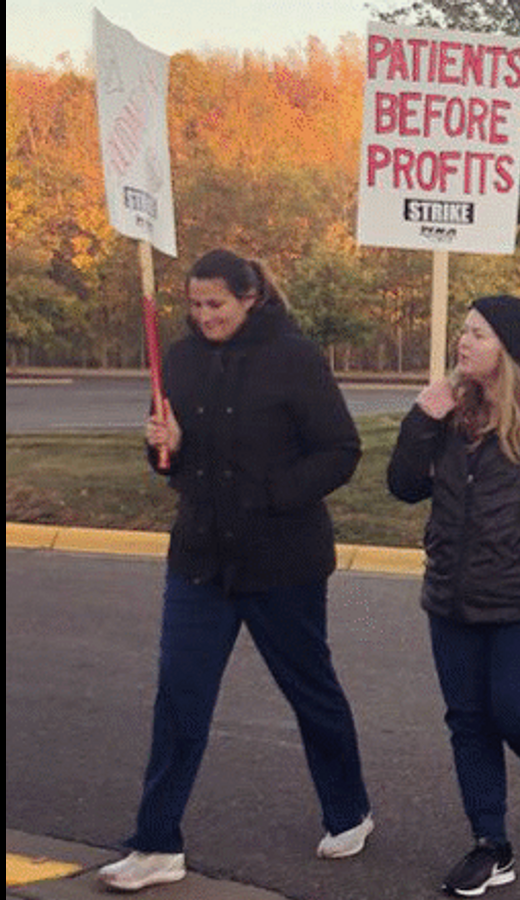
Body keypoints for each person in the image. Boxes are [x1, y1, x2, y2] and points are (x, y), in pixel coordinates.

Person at [100, 249, 372, 892]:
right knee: (179, 697)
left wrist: (272, 494)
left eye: (216, 304)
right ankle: (157, 842)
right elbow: (169, 461)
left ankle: (349, 810)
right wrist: (161, 446)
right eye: (194, 305)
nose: (204, 316)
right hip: (200, 557)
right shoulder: (179, 359)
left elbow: (341, 450)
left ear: (250, 297)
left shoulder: (295, 357)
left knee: (311, 690)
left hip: (283, 560)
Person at [387, 295, 520, 897]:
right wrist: (421, 420)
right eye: (463, 331)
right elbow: (403, 487)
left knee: (518, 713)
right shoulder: (450, 409)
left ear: (506, 347)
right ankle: (491, 845)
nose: (463, 341)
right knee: (469, 722)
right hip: (452, 595)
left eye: (477, 333)